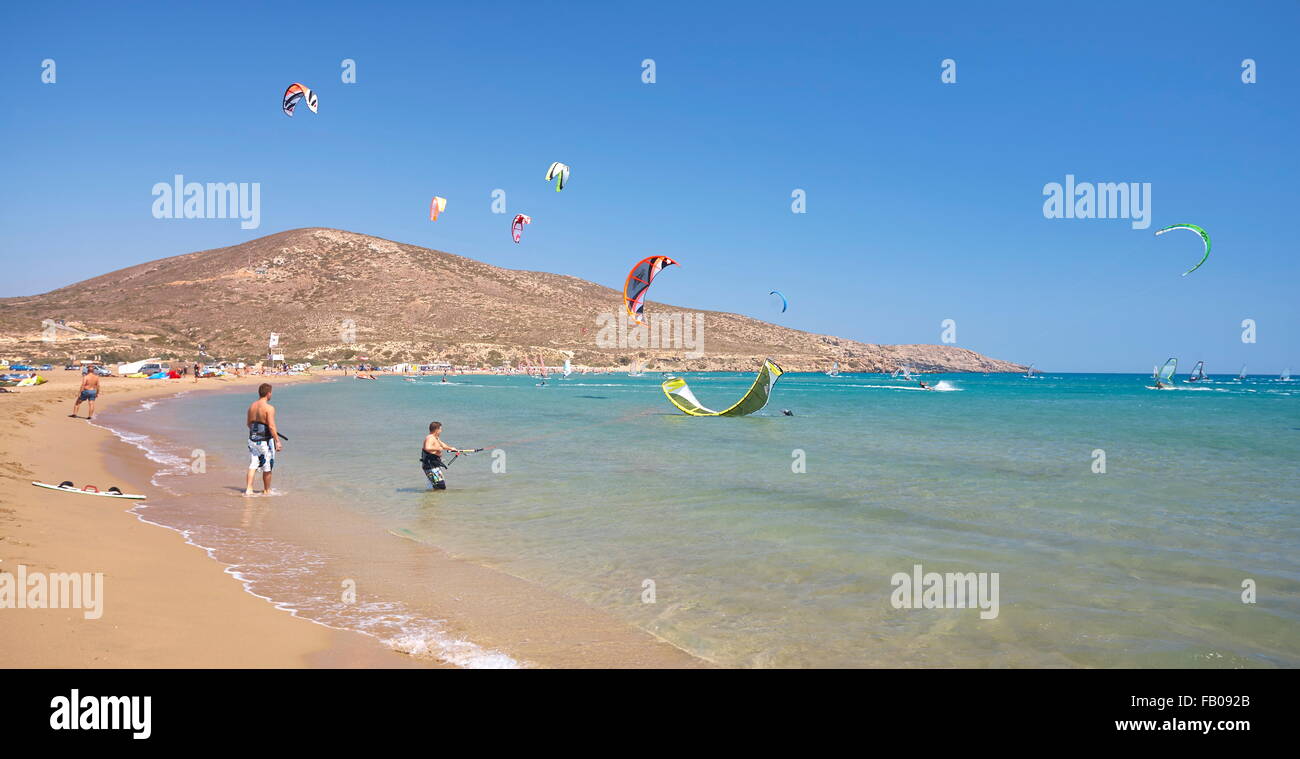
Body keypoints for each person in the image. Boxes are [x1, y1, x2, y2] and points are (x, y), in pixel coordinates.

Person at [244, 383, 281, 496]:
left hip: (252, 440)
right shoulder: (269, 408)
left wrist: (256, 433)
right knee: (267, 466)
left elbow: (248, 424)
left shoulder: (252, 406)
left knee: (253, 463)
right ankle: (266, 490)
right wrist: (277, 441)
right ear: (268, 393)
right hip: (264, 441)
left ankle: (249, 489)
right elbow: (271, 426)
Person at [420, 421, 464, 490]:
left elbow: (442, 445)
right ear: (436, 430)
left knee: (439, 485)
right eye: (440, 429)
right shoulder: (430, 437)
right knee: (440, 486)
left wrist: (451, 448)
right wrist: (438, 448)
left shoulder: (436, 438)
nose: (441, 431)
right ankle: (433, 500)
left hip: (434, 465)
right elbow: (427, 447)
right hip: (430, 466)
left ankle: (433, 499)